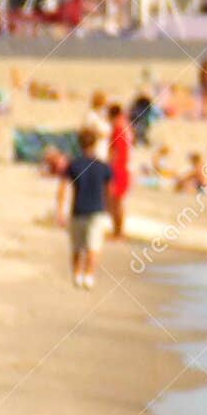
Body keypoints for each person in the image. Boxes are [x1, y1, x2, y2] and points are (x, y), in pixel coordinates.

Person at [58, 126, 114, 289]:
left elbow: (63, 188)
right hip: (97, 210)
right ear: (95, 144)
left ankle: (77, 274)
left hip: (78, 209)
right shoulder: (103, 167)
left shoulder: (74, 165)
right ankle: (89, 275)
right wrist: (109, 211)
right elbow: (109, 191)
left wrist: (61, 211)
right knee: (93, 246)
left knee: (77, 246)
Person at [107, 102, 133, 239]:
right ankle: (118, 231)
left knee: (115, 201)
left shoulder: (117, 128)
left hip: (118, 168)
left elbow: (114, 152)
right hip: (125, 167)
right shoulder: (126, 127)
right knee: (117, 201)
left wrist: (109, 167)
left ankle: (118, 232)